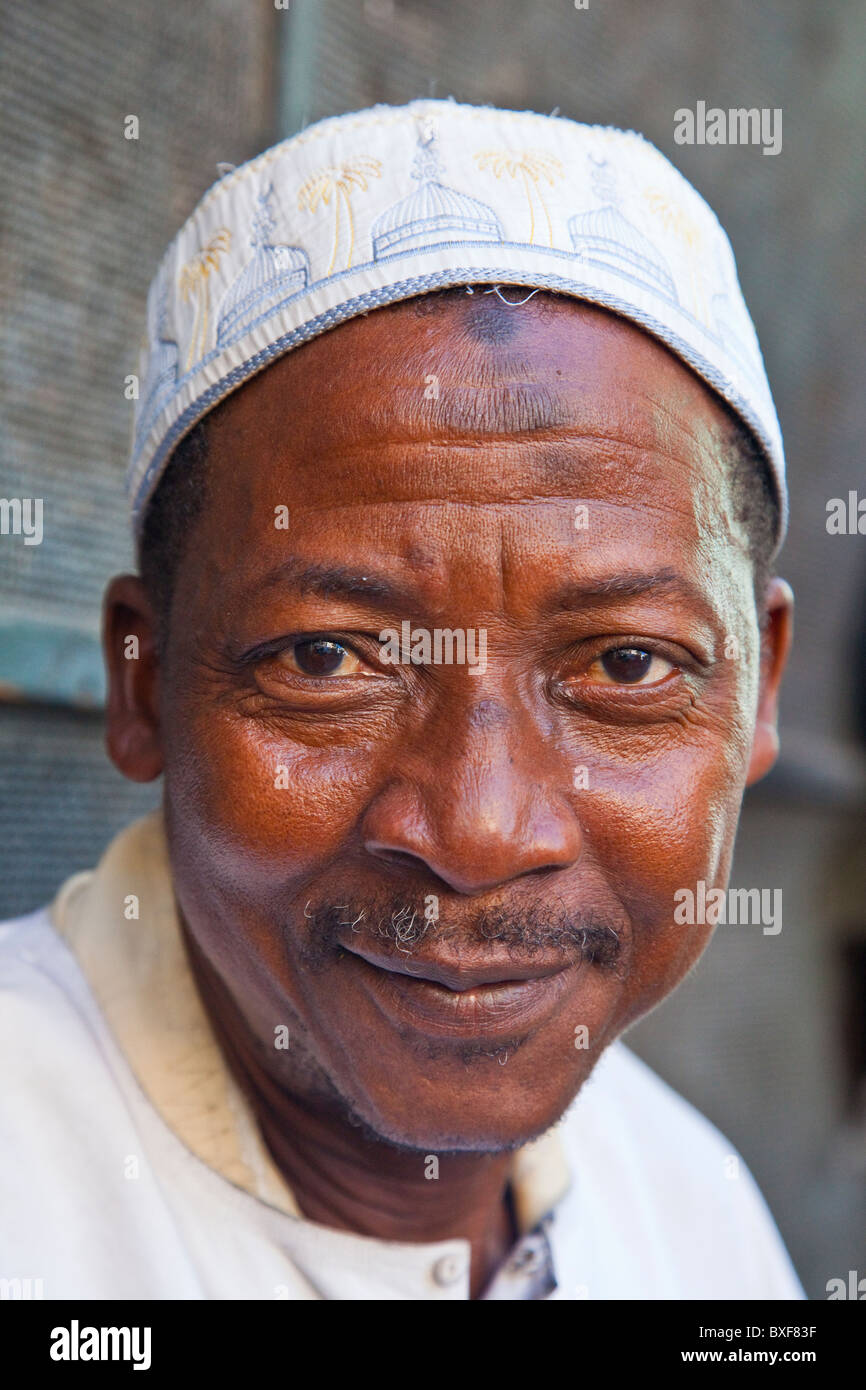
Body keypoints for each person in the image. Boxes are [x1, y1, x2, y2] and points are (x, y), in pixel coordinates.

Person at [0, 98, 803, 1300]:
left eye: (624, 665)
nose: (478, 832)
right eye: (327, 659)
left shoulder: (698, 1220)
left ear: (756, 692)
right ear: (144, 678)